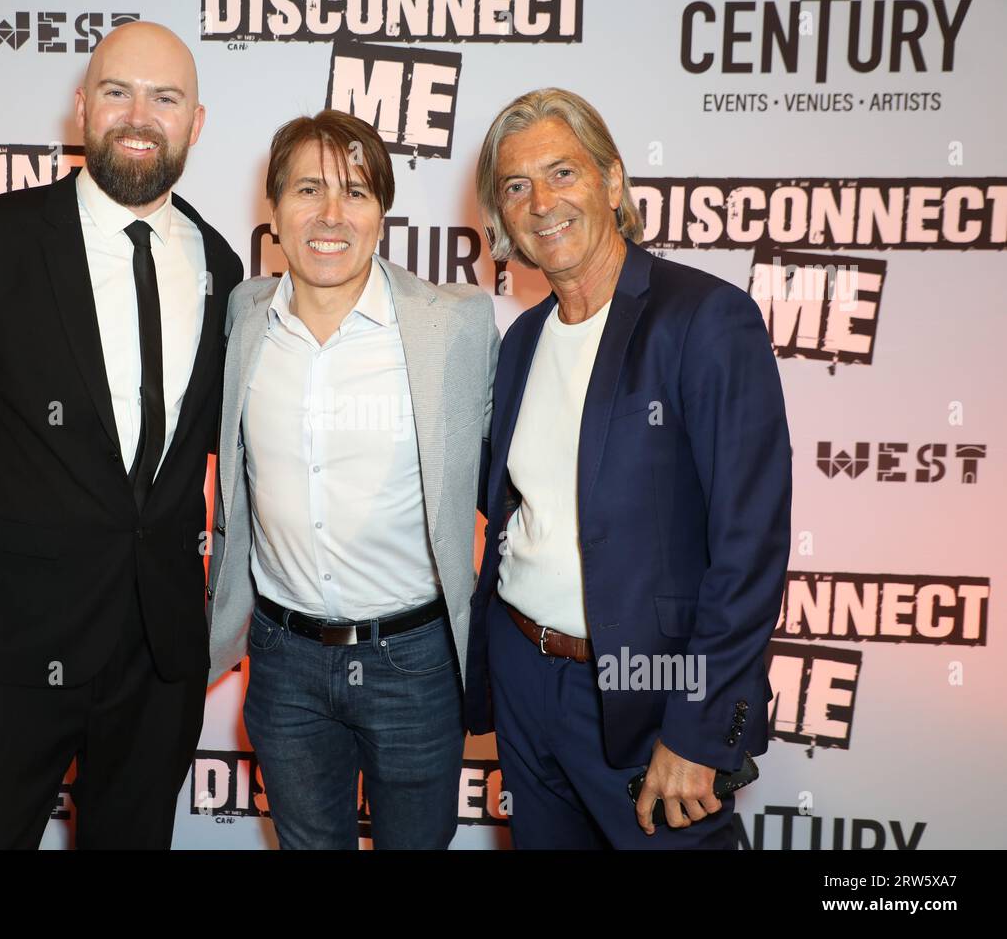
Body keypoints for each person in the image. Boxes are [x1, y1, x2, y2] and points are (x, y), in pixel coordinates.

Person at [0, 21, 244, 848]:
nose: (139, 116)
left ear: (197, 122)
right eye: (117, 92)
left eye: (165, 98)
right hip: (2, 648)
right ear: (81, 108)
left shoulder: (224, 268)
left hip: (157, 659)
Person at [466, 88, 791, 849]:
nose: (541, 202)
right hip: (524, 675)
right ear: (503, 216)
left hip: (650, 702)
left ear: (613, 182)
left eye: (563, 173)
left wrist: (701, 728)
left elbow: (750, 550)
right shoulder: (521, 343)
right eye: (516, 186)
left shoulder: (704, 319)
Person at [206, 110, 498, 849]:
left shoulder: (453, 326)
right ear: (272, 210)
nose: (332, 215)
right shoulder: (243, 318)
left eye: (357, 193)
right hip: (282, 661)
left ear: (382, 212)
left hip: (415, 662)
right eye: (308, 190)